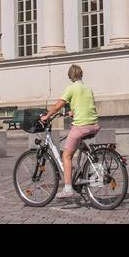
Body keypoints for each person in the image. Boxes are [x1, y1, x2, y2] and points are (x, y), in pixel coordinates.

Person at [38, 64, 99, 201]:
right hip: (93, 125)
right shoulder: (88, 88)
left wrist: (47, 116)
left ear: (70, 76)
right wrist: (72, 112)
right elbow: (86, 105)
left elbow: (58, 105)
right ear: (81, 74)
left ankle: (67, 188)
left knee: (66, 155)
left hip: (80, 126)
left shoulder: (71, 88)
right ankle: (84, 170)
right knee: (79, 146)